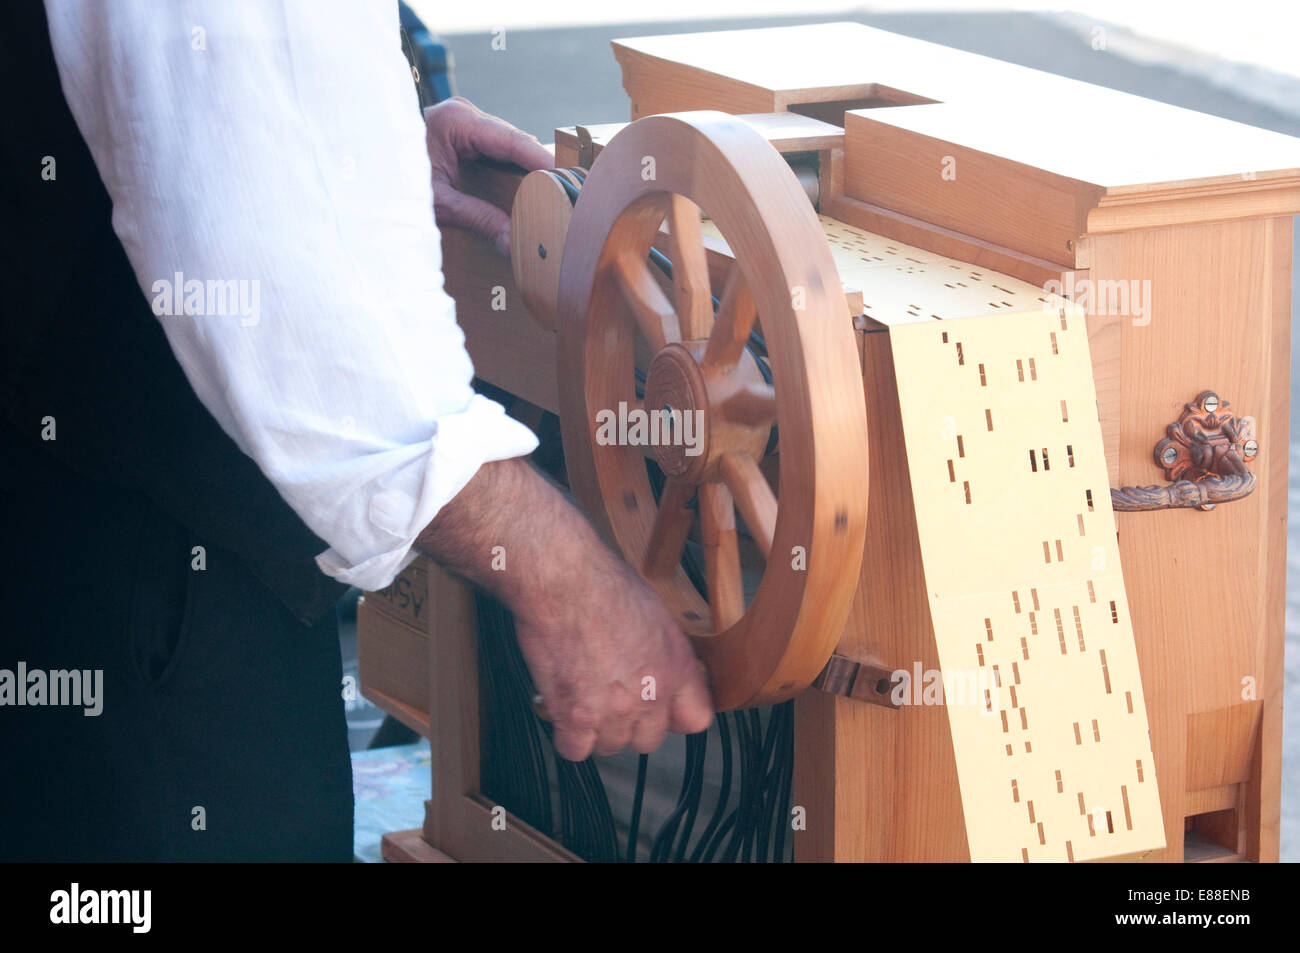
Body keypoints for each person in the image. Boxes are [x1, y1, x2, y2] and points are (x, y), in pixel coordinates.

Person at [0, 0, 711, 861]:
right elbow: (280, 300)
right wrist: (566, 582)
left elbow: (190, 105)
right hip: (147, 591)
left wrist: (361, 152)